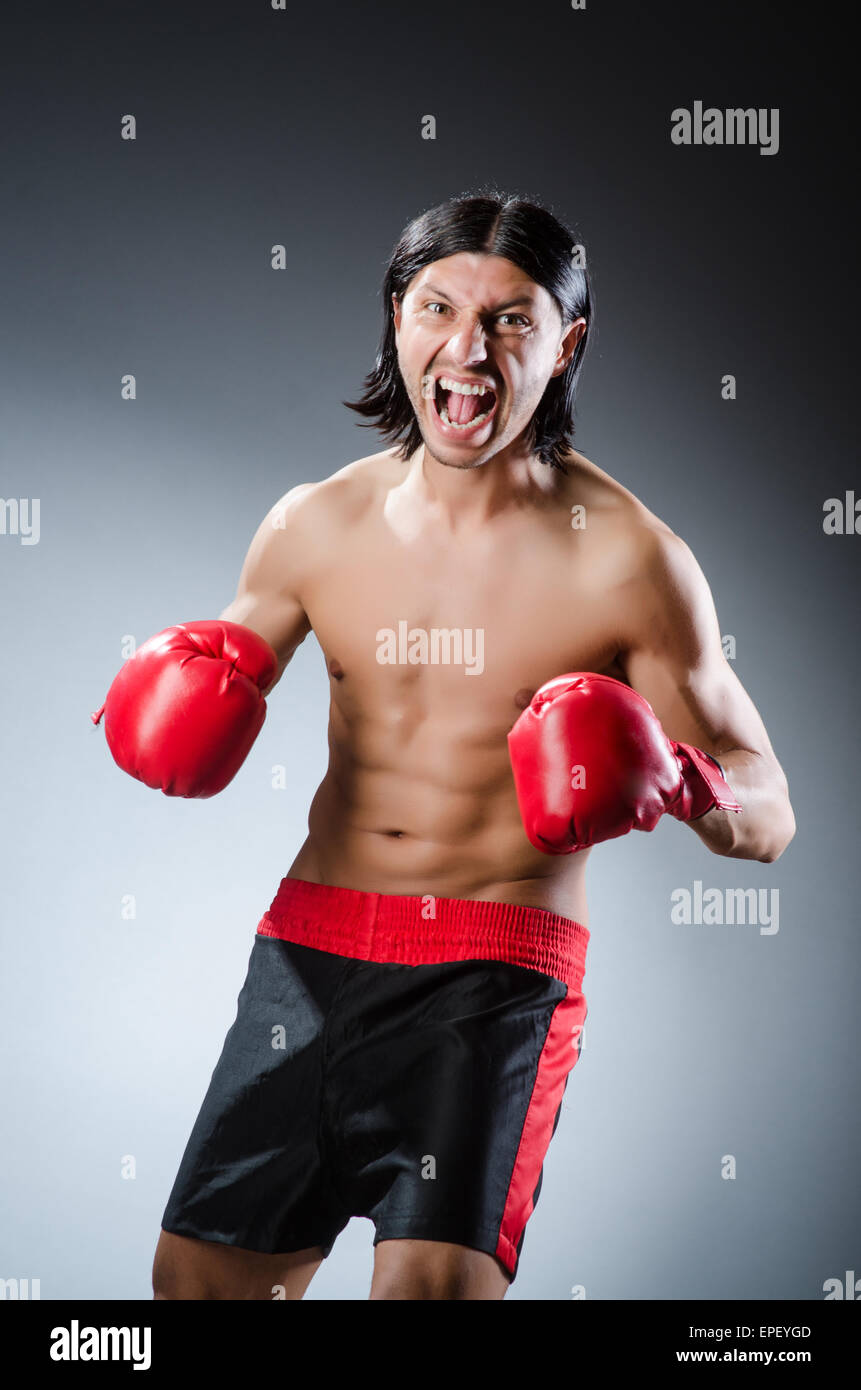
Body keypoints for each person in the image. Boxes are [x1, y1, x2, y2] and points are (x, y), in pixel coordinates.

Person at [92, 192, 795, 1301]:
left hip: (494, 974)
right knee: (196, 1288)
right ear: (398, 320)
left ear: (563, 347)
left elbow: (771, 810)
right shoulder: (312, 523)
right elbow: (218, 673)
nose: (468, 350)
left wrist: (680, 774)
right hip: (309, 956)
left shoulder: (629, 559)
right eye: (438, 309)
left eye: (512, 321)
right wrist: (171, 686)